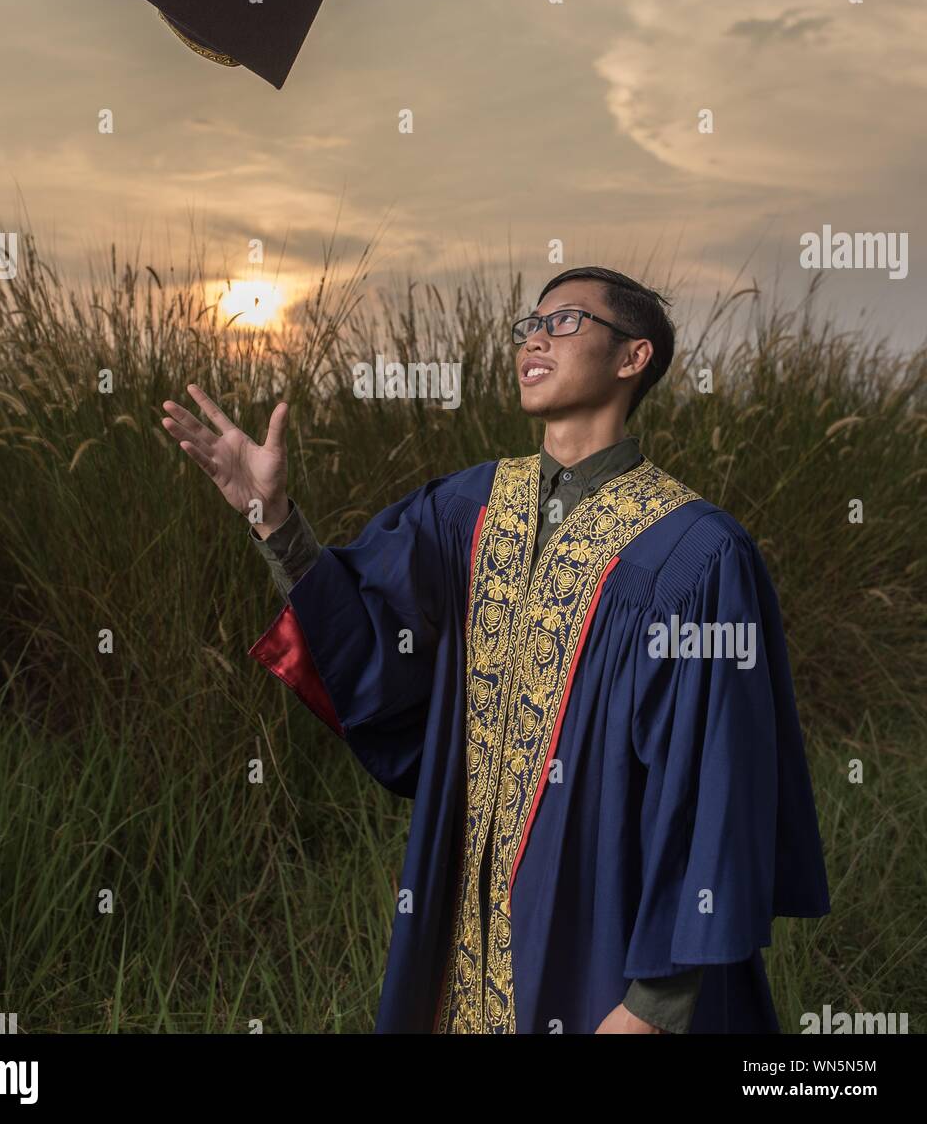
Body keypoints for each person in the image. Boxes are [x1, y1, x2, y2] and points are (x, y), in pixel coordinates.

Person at [160, 266, 830, 1034]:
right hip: (466, 931)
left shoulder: (697, 555)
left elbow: (719, 782)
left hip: (607, 939)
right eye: (528, 326)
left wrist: (652, 1007)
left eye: (566, 321)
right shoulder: (468, 510)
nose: (534, 338)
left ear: (633, 357)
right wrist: (274, 518)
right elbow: (371, 635)